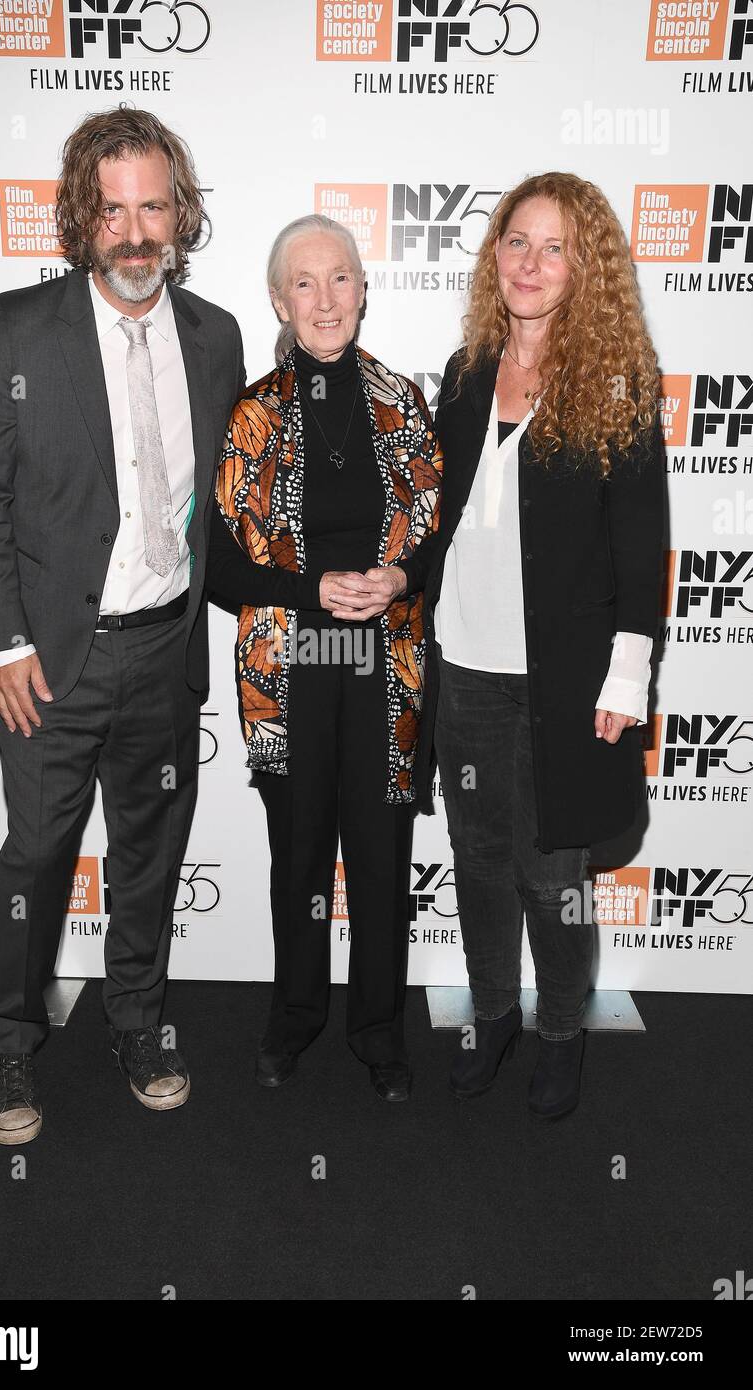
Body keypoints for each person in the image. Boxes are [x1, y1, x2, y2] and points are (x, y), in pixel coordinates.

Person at [0, 106, 245, 1143]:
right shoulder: (19, 326)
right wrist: (3, 642)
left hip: (165, 649)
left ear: (180, 213)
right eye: (112, 210)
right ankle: (8, 1045)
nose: (134, 233)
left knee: (149, 855)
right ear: (84, 218)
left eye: (153, 207)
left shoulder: (215, 337)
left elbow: (224, 502)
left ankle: (137, 1021)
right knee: (35, 859)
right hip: (48, 662)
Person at [397, 172, 666, 1119]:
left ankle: (560, 1034)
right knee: (477, 860)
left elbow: (642, 548)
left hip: (565, 683)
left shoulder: (616, 389)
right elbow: (445, 519)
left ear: (584, 268)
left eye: (555, 247)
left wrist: (627, 673)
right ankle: (492, 1017)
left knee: (556, 877)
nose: (531, 262)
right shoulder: (468, 373)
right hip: (464, 667)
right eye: (517, 241)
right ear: (494, 254)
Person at [208, 214, 442, 1101]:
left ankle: (379, 1033)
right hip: (290, 664)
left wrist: (398, 576)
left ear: (363, 289)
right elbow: (223, 565)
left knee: (381, 858)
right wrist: (314, 592)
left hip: (387, 668)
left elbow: (436, 538)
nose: (325, 298)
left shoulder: (400, 403)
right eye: (304, 283)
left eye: (339, 277)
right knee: (299, 855)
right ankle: (294, 1017)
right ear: (279, 299)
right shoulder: (255, 413)